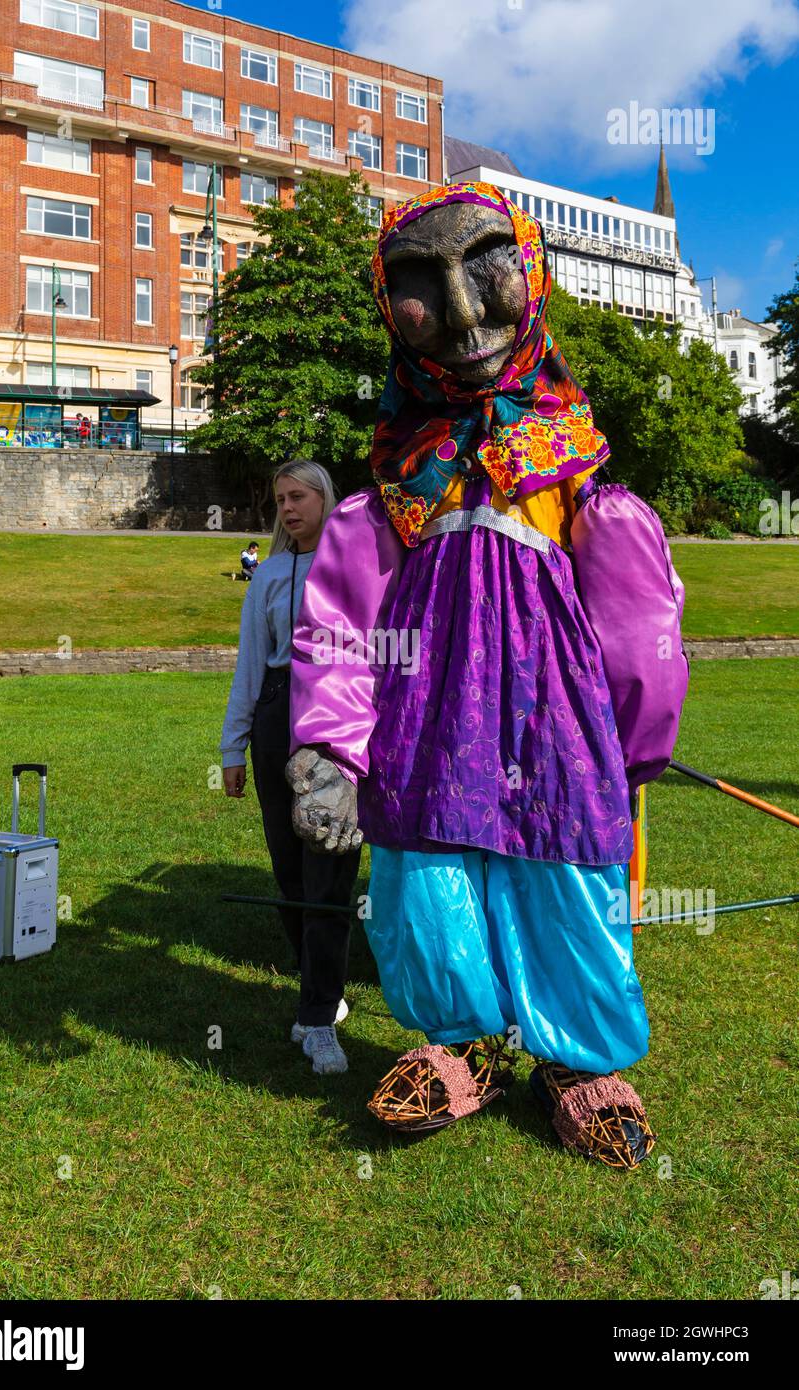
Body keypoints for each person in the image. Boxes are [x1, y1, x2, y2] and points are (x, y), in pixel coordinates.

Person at [285, 183, 689, 1165]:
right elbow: (342, 622)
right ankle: (461, 1044)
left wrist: (635, 740)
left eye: (484, 268)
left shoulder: (568, 465)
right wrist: (330, 747)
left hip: (555, 730)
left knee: (563, 883)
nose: (463, 313)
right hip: (424, 731)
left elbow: (636, 616)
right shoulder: (391, 486)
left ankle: (576, 1060)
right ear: (389, 303)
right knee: (426, 885)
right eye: (422, 282)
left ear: (533, 272)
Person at [220, 460, 362, 1076]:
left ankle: (316, 1016)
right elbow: (249, 664)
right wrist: (233, 747)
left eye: (298, 496)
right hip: (278, 721)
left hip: (338, 727)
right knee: (290, 871)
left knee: (329, 868)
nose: (287, 508)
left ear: (325, 498)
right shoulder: (271, 574)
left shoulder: (359, 566)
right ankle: (319, 992)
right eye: (279, 499)